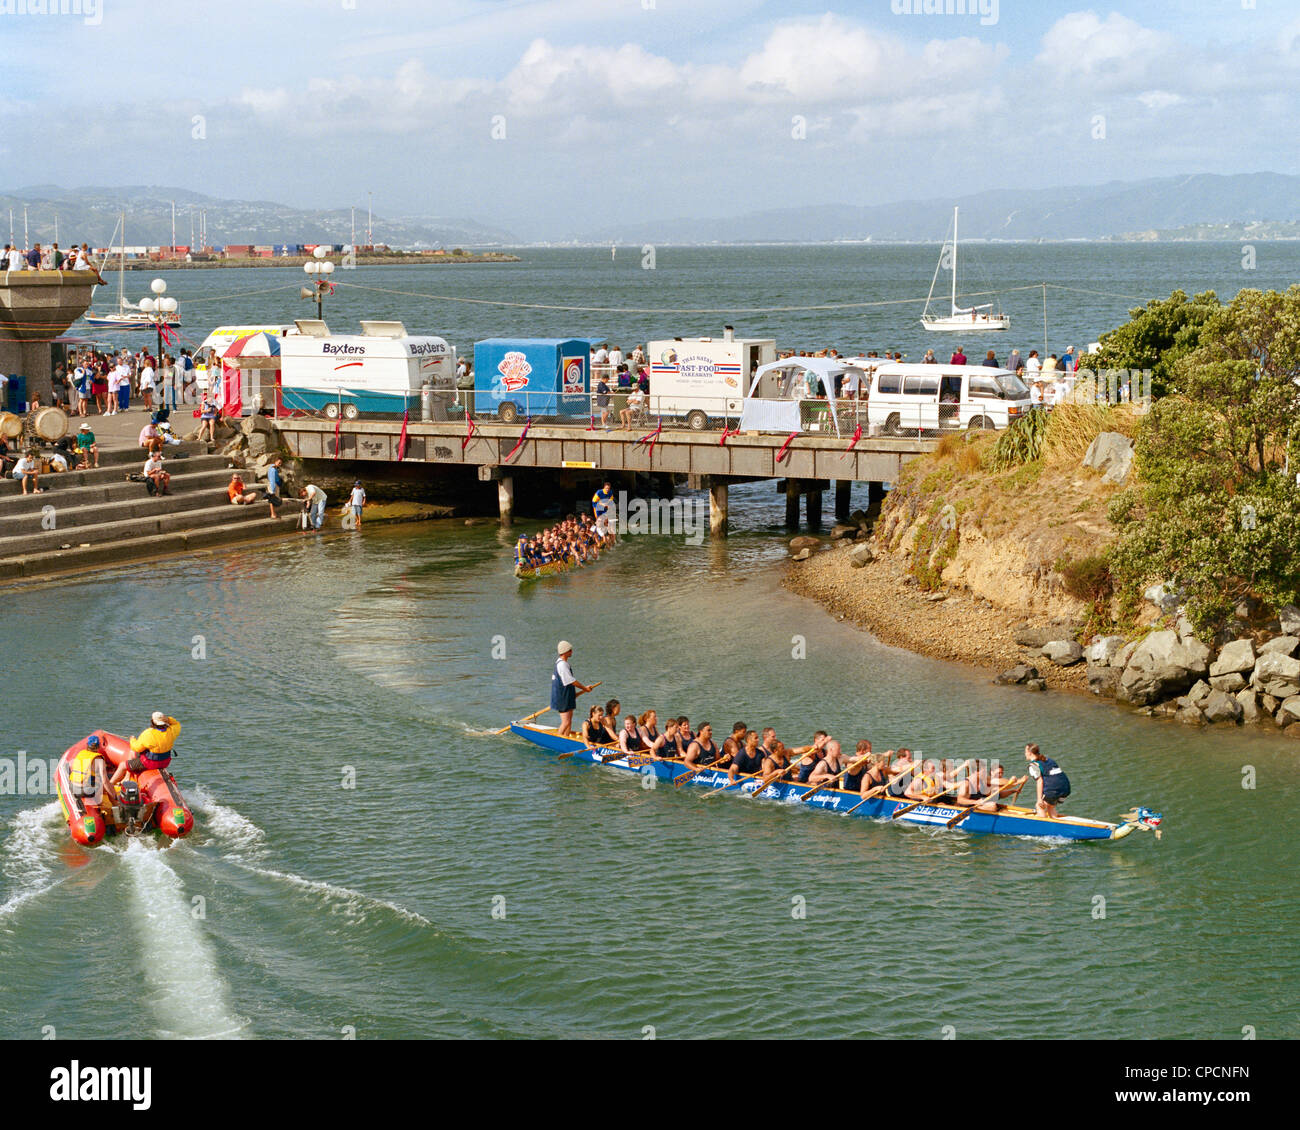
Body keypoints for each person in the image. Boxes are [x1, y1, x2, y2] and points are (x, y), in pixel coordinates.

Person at [109, 711, 181, 789]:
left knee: (123, 765)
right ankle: (127, 776)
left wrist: (132, 740)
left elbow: (136, 747)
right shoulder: (172, 731)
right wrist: (167, 719)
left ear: (153, 722)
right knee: (134, 752)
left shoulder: (148, 734)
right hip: (165, 762)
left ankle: (109, 785)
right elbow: (177, 724)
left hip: (150, 763)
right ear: (164, 721)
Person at [551, 641, 593, 737]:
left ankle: (566, 739)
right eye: (570, 650)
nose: (572, 652)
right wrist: (584, 689)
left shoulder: (564, 663)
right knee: (565, 722)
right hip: (562, 697)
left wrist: (580, 691)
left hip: (567, 696)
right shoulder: (561, 665)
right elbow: (571, 681)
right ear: (565, 652)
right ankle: (557, 739)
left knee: (569, 721)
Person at [1025, 742, 1070, 818]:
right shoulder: (1048, 760)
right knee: (1050, 806)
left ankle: (1043, 827)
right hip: (1066, 788)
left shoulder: (1033, 766)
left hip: (1054, 790)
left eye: (1025, 752)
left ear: (1030, 753)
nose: (1025, 754)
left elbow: (1040, 782)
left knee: (1039, 806)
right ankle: (1055, 823)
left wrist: (1039, 799)